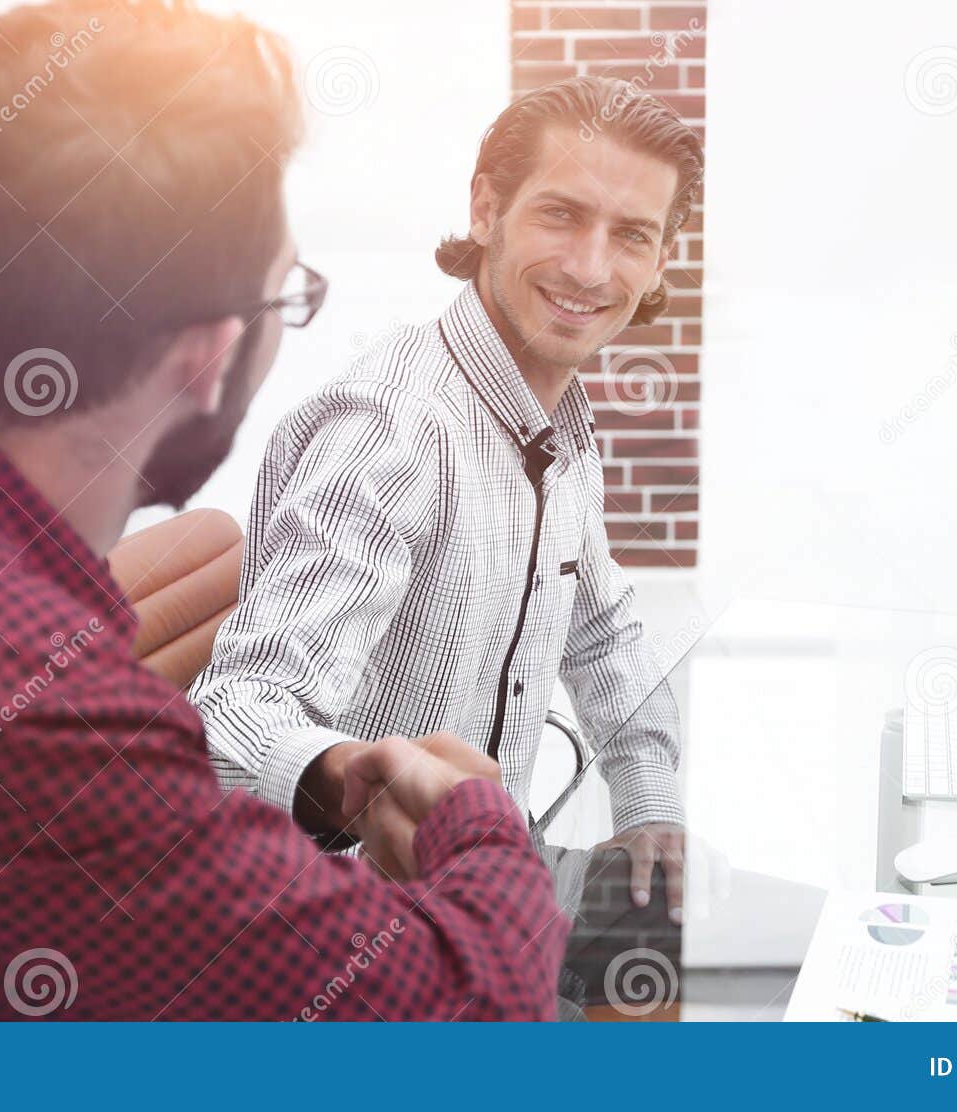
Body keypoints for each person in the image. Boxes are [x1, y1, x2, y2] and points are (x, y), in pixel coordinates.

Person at [0, 0, 565, 1021]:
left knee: (208, 561)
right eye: (288, 293)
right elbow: (472, 1010)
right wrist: (475, 817)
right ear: (205, 353)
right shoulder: (51, 751)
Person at [190, 76, 704, 920]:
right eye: (562, 215)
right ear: (485, 208)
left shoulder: (561, 427)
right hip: (342, 935)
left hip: (481, 901)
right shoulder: (395, 430)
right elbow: (230, 720)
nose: (589, 267)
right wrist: (349, 778)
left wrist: (650, 798)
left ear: (656, 263)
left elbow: (604, 631)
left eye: (631, 235)